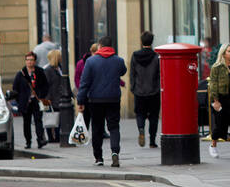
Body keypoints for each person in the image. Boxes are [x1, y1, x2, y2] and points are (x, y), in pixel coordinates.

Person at [76, 36, 126, 167]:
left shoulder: (91, 62)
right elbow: (123, 71)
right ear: (111, 46)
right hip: (113, 99)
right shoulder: (119, 60)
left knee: (97, 128)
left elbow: (84, 83)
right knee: (114, 127)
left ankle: (98, 157)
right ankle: (115, 152)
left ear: (100, 46)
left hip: (95, 100)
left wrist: (80, 100)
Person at [11, 52, 49, 150]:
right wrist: (19, 100)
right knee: (26, 122)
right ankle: (28, 141)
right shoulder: (21, 74)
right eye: (27, 60)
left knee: (38, 120)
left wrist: (42, 96)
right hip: (25, 102)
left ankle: (40, 140)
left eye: (31, 60)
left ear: (35, 61)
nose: (29, 62)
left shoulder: (40, 72)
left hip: (37, 100)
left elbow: (45, 85)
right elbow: (15, 88)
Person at [129, 31, 160, 148]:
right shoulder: (156, 56)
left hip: (139, 91)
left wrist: (133, 88)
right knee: (153, 117)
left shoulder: (135, 55)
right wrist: (157, 88)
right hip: (154, 91)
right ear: (152, 42)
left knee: (140, 114)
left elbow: (132, 73)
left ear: (141, 41)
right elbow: (159, 74)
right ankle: (152, 141)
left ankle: (141, 129)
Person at [44, 48, 76, 147]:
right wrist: (47, 98)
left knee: (60, 117)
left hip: (61, 96)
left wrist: (71, 94)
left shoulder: (61, 68)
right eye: (60, 56)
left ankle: (58, 135)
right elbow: (46, 85)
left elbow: (66, 82)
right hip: (53, 97)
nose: (62, 58)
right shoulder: (48, 70)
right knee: (52, 117)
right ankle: (52, 137)